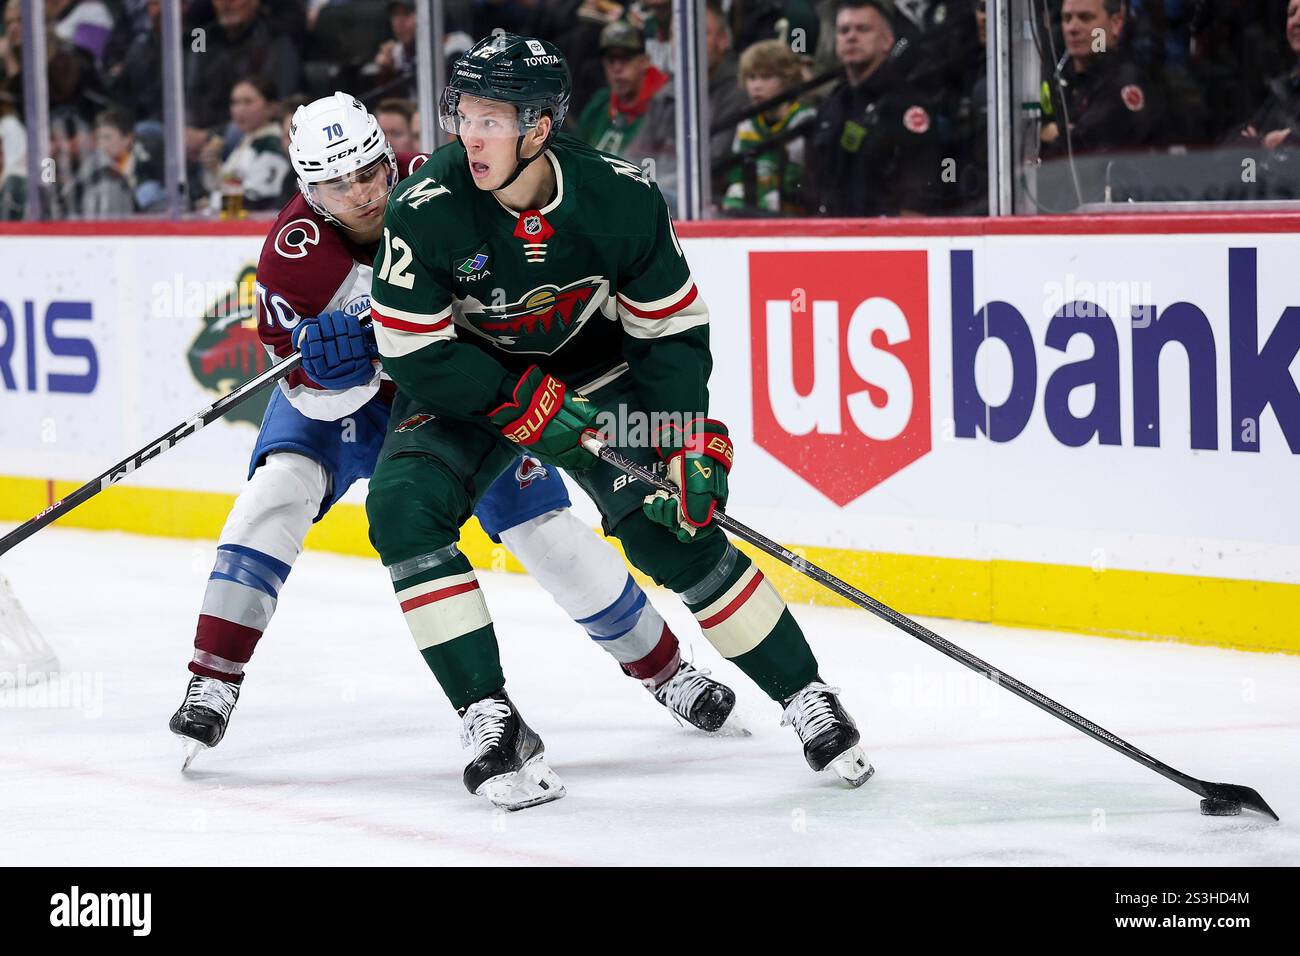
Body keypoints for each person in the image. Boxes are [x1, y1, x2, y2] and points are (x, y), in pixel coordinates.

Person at [362, 33, 872, 810]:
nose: (470, 133)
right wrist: (517, 403)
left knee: (671, 525)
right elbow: (413, 352)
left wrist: (685, 439)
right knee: (402, 510)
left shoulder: (621, 197)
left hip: (594, 371)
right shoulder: (426, 207)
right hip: (473, 381)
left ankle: (806, 696)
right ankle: (489, 716)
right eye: (464, 112)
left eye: (493, 118)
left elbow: (668, 335)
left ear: (539, 126)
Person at [168, 91, 736, 772]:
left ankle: (666, 670)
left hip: (448, 390)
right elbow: (299, 389)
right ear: (307, 189)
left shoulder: (444, 193)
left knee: (547, 532)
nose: (361, 195)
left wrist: (393, 341)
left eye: (369, 171)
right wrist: (327, 369)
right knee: (274, 495)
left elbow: (507, 300)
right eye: (336, 183)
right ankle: (213, 677)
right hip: (347, 405)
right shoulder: (291, 258)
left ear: (389, 156)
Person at [809, 0, 944, 216]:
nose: (851, 37)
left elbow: (917, 198)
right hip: (833, 236)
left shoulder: (906, 106)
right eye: (844, 31)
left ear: (887, 42)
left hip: (885, 239)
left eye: (863, 29)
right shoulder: (833, 105)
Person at [721, 39, 817, 214]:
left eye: (766, 77)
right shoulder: (747, 120)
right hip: (752, 201)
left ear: (787, 79)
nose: (757, 86)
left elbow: (797, 176)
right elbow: (737, 171)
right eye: (751, 77)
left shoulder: (803, 118)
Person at [201, 76, 293, 212]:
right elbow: (229, 182)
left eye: (248, 102)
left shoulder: (271, 146)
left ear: (272, 107)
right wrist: (213, 168)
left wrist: (212, 201)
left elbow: (256, 200)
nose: (239, 110)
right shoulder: (248, 140)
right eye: (235, 102)